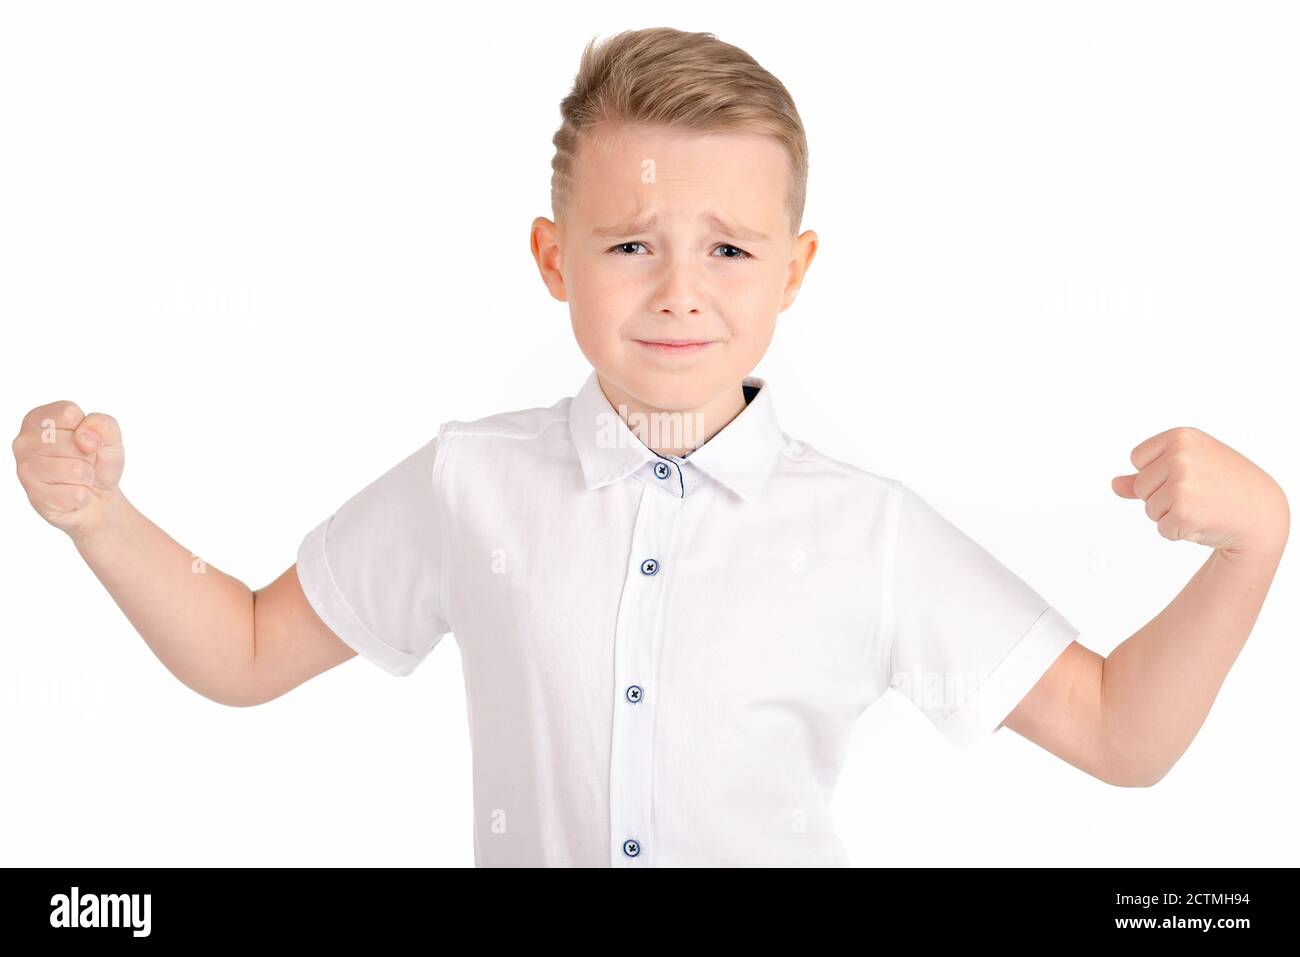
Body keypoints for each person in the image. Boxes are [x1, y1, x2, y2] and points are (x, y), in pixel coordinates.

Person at [11, 27, 1290, 867]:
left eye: (728, 249)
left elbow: (1123, 737)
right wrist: (99, 519)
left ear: (792, 273)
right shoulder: (472, 482)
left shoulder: (870, 531)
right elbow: (241, 652)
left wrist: (1250, 547)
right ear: (554, 259)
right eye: (632, 245)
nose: (680, 291)